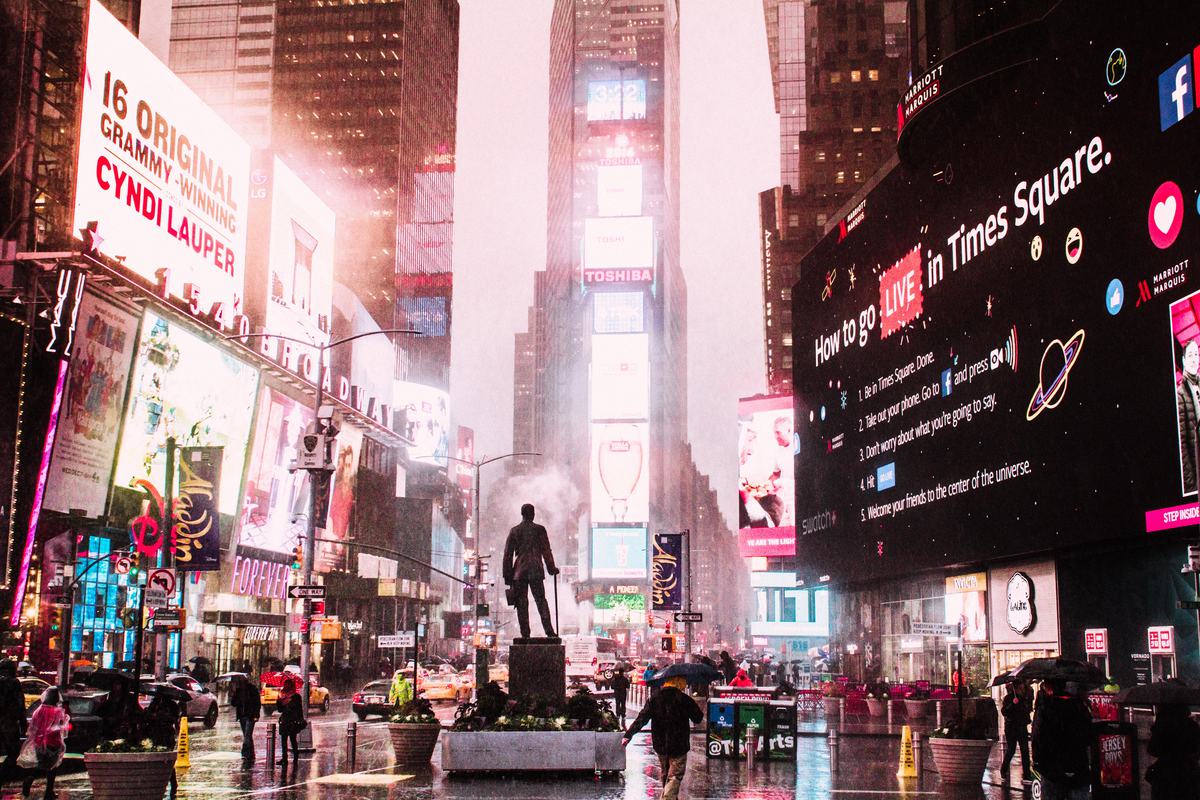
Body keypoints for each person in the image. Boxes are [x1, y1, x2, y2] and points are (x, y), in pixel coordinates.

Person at [622, 676, 703, 800]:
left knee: (666, 774)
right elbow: (698, 718)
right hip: (679, 745)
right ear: (679, 683)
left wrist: (629, 734)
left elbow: (642, 718)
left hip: (660, 745)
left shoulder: (655, 698)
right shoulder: (684, 699)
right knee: (675, 776)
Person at [502, 503, 559, 638]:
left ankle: (525, 634)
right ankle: (549, 631)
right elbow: (546, 551)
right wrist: (551, 568)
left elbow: (507, 555)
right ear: (533, 514)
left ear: (522, 514)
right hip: (536, 570)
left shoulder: (515, 531)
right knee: (541, 601)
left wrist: (508, 576)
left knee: (522, 604)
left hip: (519, 573)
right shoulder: (540, 530)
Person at [1031, 679, 1092, 800]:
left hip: (1052, 768)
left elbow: (1037, 737)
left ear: (1049, 688)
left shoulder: (1045, 708)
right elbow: (1089, 736)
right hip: (1078, 765)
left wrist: (1037, 761)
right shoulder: (1080, 706)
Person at [20, 687, 68, 800]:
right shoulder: (57, 711)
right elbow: (59, 728)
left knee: (41, 764)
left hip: (39, 743)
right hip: (53, 743)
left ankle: (30, 779)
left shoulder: (39, 710)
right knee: (52, 767)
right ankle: (48, 792)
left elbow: (32, 727)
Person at [1146, 701, 1200, 800]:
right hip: (1188, 775)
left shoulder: (1163, 724)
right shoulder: (1192, 726)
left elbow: (1153, 750)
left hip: (1165, 775)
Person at [1001, 680, 1033, 782]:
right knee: (1011, 749)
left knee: (1025, 750)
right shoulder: (1009, 698)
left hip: (1021, 727)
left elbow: (1027, 711)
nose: (1022, 690)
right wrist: (1012, 704)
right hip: (1011, 727)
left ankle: (1027, 775)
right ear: (1016, 688)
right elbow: (1004, 712)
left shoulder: (1024, 698)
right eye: (1021, 688)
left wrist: (1027, 707)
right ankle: (1003, 770)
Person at [0, 659, 26, 785]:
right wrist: (23, 724)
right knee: (13, 753)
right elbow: (20, 705)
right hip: (9, 723)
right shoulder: (14, 683)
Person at [231, 675, 262, 766]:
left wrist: (256, 715)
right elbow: (233, 703)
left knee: (247, 735)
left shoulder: (252, 689)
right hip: (242, 716)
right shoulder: (238, 691)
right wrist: (233, 694)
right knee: (247, 735)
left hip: (250, 716)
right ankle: (251, 754)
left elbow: (257, 703)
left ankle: (244, 753)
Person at [276, 680, 305, 767]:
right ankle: (284, 758)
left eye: (288, 685)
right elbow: (280, 710)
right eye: (285, 685)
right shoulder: (282, 696)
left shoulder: (296, 697)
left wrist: (300, 719)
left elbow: (299, 709)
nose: (286, 686)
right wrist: (279, 700)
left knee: (293, 739)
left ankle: (295, 757)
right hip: (285, 720)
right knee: (283, 741)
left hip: (293, 721)